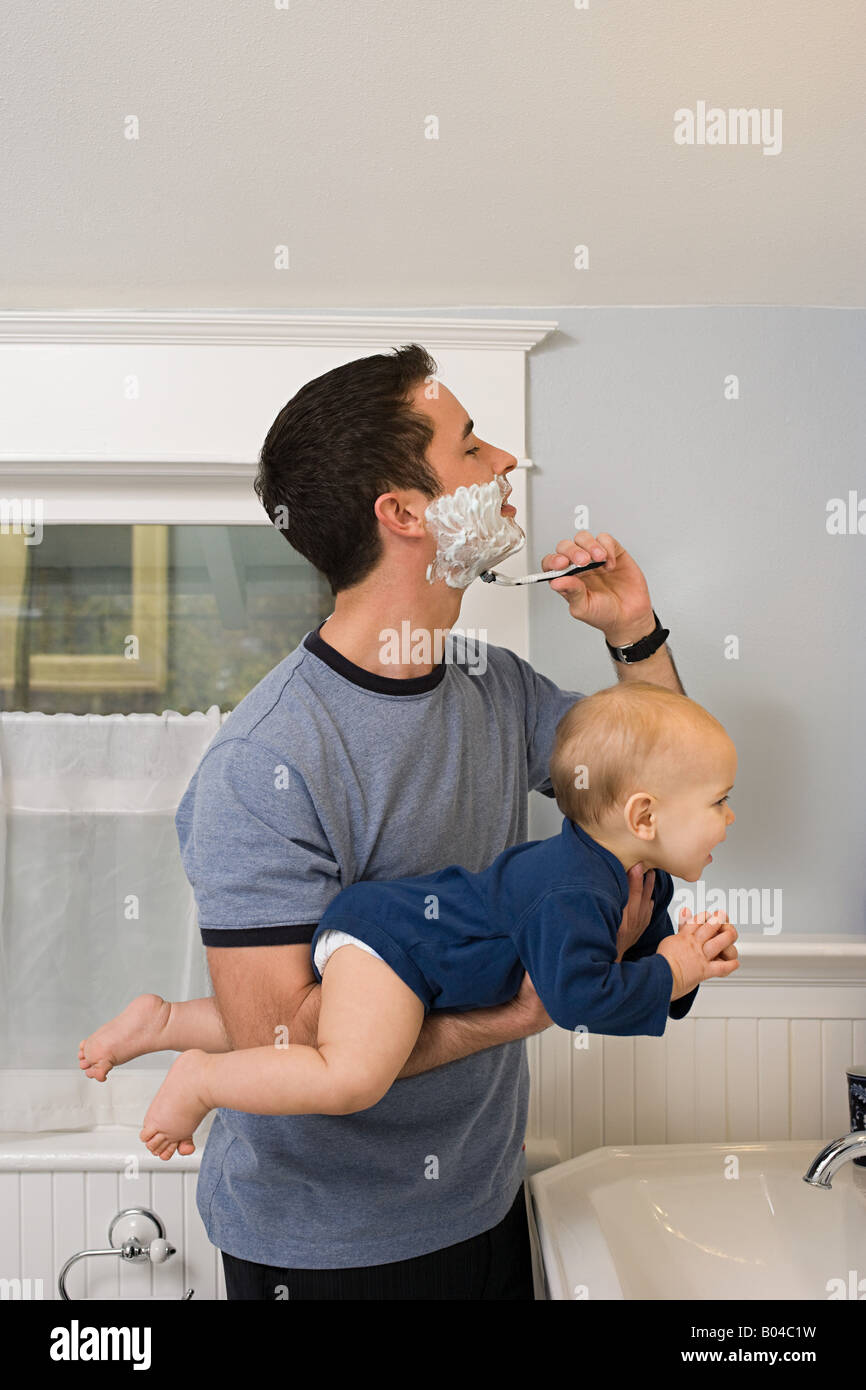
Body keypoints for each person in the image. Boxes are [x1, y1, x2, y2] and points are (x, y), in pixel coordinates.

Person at [80, 343, 721, 1300]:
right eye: (472, 446)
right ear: (406, 512)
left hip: (485, 1202)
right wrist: (522, 1013)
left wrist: (635, 633)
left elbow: (656, 795)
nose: (507, 462)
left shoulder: (493, 687)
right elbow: (289, 1045)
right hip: (325, 1250)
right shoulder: (266, 763)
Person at [81, 682, 739, 1163]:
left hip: (396, 941)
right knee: (351, 1074)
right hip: (394, 943)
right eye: (720, 802)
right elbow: (578, 999)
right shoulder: (571, 890)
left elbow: (643, 968)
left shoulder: (636, 878)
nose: (730, 820)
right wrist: (672, 967)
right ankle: (202, 1078)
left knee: (300, 1032)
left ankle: (163, 1021)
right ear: (645, 817)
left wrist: (689, 962)